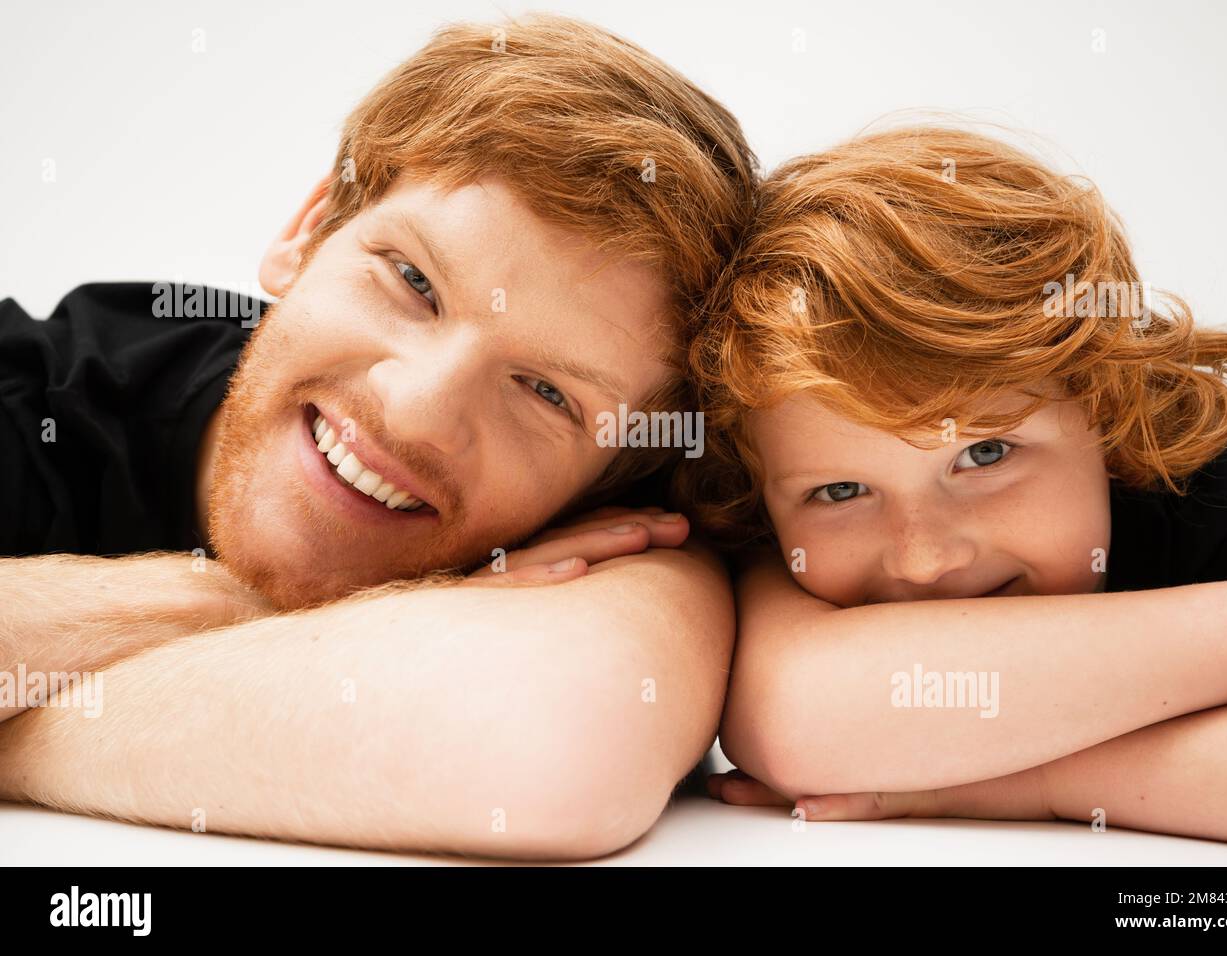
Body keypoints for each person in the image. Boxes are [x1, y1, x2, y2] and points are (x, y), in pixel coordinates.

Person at [0, 14, 756, 861]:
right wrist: (214, 605)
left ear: (609, 481)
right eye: (413, 282)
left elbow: (540, 755)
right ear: (309, 231)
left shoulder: (610, 529)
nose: (415, 411)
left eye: (547, 394)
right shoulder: (35, 393)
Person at [678, 125, 1227, 851]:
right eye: (843, 492)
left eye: (986, 453)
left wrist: (1022, 783)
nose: (923, 559)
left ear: (1107, 408)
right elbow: (800, 717)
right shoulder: (771, 533)